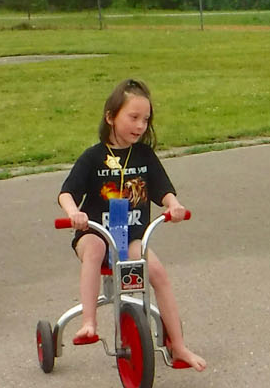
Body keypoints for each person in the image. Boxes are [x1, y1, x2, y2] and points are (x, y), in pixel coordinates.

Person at [57, 78, 206, 371]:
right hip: (95, 232)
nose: (140, 125)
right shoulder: (93, 157)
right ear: (111, 116)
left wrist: (173, 205)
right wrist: (74, 212)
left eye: (145, 119)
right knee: (95, 250)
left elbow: (163, 189)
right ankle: (89, 322)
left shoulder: (144, 157)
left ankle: (178, 347)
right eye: (133, 117)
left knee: (158, 273)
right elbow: (66, 192)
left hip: (133, 237)